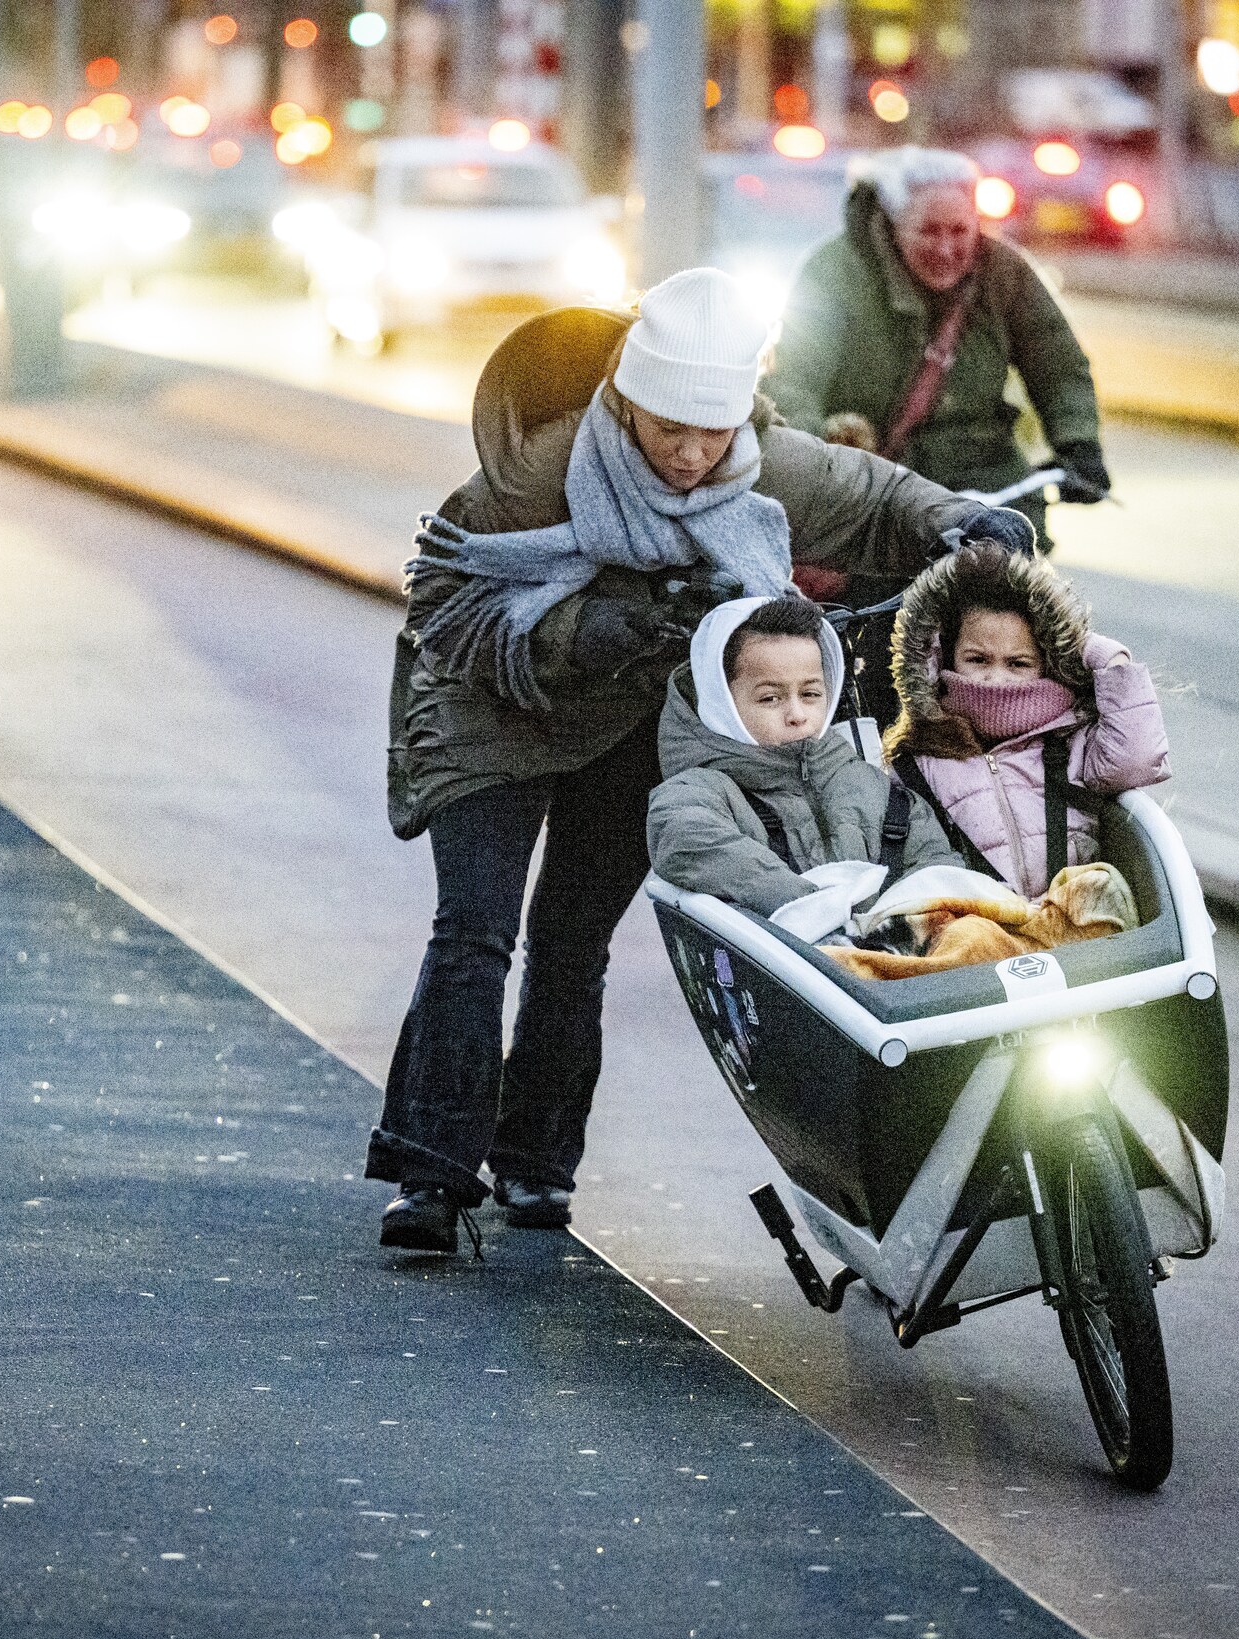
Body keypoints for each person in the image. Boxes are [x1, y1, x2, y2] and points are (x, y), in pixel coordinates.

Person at [373, 270, 1035, 1253]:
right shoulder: (541, 470)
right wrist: (599, 625)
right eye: (666, 429)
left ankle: (533, 1167)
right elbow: (443, 596)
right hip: (492, 707)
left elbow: (878, 498)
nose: (688, 456)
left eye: (711, 433)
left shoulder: (760, 467)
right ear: (625, 402)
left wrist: (962, 526)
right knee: (475, 935)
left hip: (627, 726)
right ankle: (429, 1176)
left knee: (569, 944)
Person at [763, 147, 1109, 556]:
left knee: (1013, 597)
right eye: (929, 231)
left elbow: (1058, 365)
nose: (945, 249)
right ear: (893, 225)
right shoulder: (835, 272)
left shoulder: (1004, 273)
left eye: (959, 231)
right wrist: (823, 450)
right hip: (879, 492)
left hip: (987, 482)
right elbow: (793, 381)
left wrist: (1078, 444)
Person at [882, 542, 1170, 900]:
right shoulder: (918, 762)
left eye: (1018, 663)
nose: (997, 679)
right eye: (977, 660)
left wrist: (1098, 655)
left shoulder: (1070, 742)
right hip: (979, 937)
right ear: (943, 658)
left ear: (1047, 665)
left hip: (1077, 933)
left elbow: (1138, 758)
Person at [646, 595, 962, 917]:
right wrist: (818, 912)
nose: (797, 715)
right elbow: (684, 836)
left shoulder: (871, 784)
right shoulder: (698, 793)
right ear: (721, 704)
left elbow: (940, 874)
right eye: (770, 698)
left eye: (810, 694)